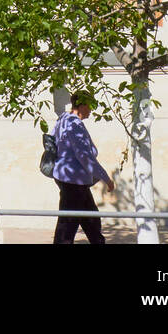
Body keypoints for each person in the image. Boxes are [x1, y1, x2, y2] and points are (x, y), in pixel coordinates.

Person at [51, 92, 115, 245]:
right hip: (74, 181)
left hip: (70, 179)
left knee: (91, 220)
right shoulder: (75, 124)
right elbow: (85, 156)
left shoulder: (62, 119)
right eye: (90, 106)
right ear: (82, 105)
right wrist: (106, 178)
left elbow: (52, 140)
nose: (91, 110)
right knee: (67, 227)